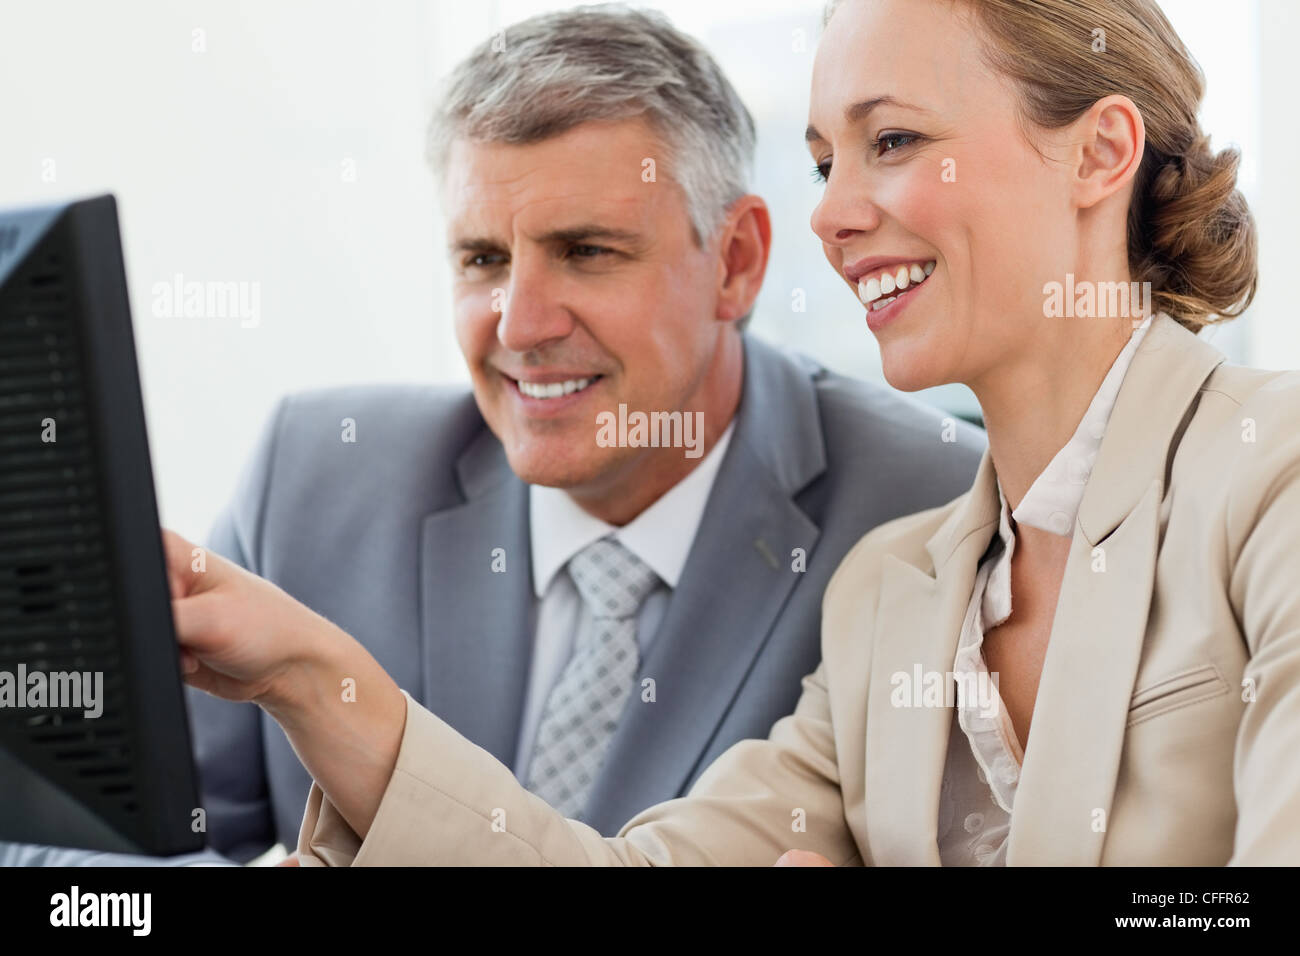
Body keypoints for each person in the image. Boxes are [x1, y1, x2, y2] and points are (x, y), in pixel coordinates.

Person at [166, 0, 1298, 866]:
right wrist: (317, 681)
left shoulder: (1271, 481)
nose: (834, 211)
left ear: (1100, 154)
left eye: (893, 139)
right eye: (822, 160)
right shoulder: (891, 595)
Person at [0, 4, 982, 867]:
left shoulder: (932, 508)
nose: (518, 324)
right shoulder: (313, 474)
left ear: (735, 260)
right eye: (480, 258)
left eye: (585, 252)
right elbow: (63, 840)